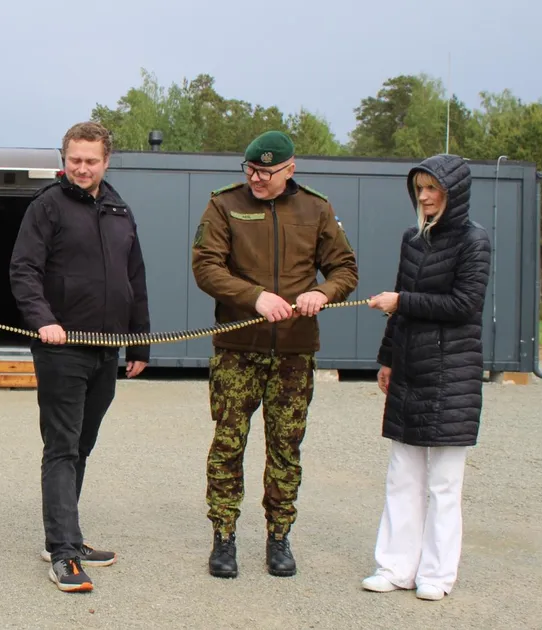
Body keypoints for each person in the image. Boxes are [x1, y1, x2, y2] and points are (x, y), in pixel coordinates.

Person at [191, 130, 358, 579]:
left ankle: (278, 535)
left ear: (290, 169)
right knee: (228, 445)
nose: (256, 178)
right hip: (236, 351)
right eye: (250, 169)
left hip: (294, 354)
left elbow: (345, 268)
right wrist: (255, 297)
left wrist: (323, 292)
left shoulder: (316, 209)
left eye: (265, 171)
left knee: (286, 448)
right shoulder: (224, 205)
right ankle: (223, 536)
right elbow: (206, 267)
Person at [9, 121, 151, 593]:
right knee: (63, 448)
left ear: (106, 161)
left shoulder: (119, 209)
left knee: (83, 445)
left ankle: (64, 537)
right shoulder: (47, 206)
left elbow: (135, 277)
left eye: (91, 160)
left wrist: (139, 340)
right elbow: (23, 270)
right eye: (75, 160)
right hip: (61, 348)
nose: (83, 168)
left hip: (106, 351)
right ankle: (64, 553)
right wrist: (42, 319)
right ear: (63, 159)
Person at [361, 155, 491, 601]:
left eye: (432, 188)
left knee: (444, 483)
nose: (424, 196)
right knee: (402, 475)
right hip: (410, 370)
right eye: (419, 188)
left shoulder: (476, 241)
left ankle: (437, 576)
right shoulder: (412, 240)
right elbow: (402, 304)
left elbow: (464, 306)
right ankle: (394, 567)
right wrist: (387, 359)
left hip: (453, 374)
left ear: (453, 192)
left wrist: (402, 301)